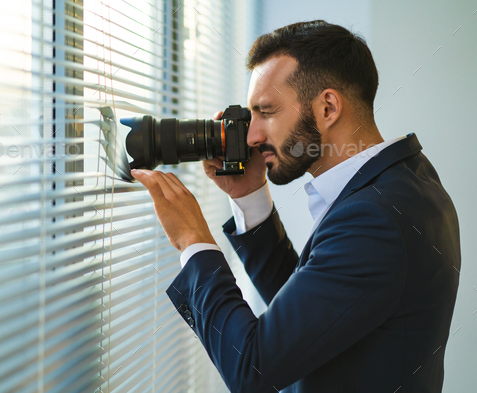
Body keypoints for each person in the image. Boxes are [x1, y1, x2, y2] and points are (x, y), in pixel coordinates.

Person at [130, 20, 460, 392]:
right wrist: (249, 195)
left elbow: (252, 367)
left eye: (267, 112)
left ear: (328, 108)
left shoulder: (376, 218)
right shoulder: (407, 179)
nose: (253, 136)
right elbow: (313, 315)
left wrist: (193, 240)